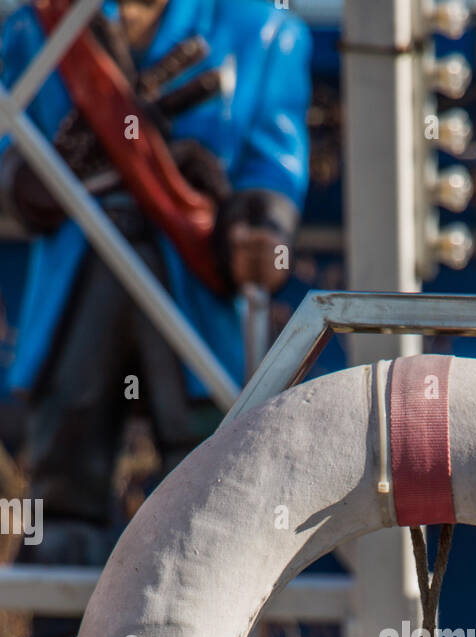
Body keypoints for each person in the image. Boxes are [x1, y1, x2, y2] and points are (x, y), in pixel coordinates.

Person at [0, 0, 311, 573]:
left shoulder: (262, 32)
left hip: (193, 296)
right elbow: (11, 149)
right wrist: (27, 180)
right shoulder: (34, 30)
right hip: (79, 278)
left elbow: (273, 161)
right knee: (62, 486)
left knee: (209, 480)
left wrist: (262, 226)